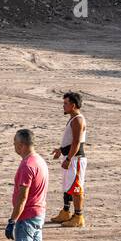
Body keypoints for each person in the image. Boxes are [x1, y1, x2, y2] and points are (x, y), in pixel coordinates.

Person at [49, 91, 87, 228]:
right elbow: (71, 141)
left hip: (75, 159)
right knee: (67, 186)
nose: (63, 106)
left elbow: (77, 142)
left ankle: (78, 216)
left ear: (74, 105)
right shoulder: (73, 118)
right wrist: (61, 151)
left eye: (66, 103)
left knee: (76, 188)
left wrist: (69, 158)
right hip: (70, 157)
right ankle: (65, 212)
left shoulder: (78, 120)